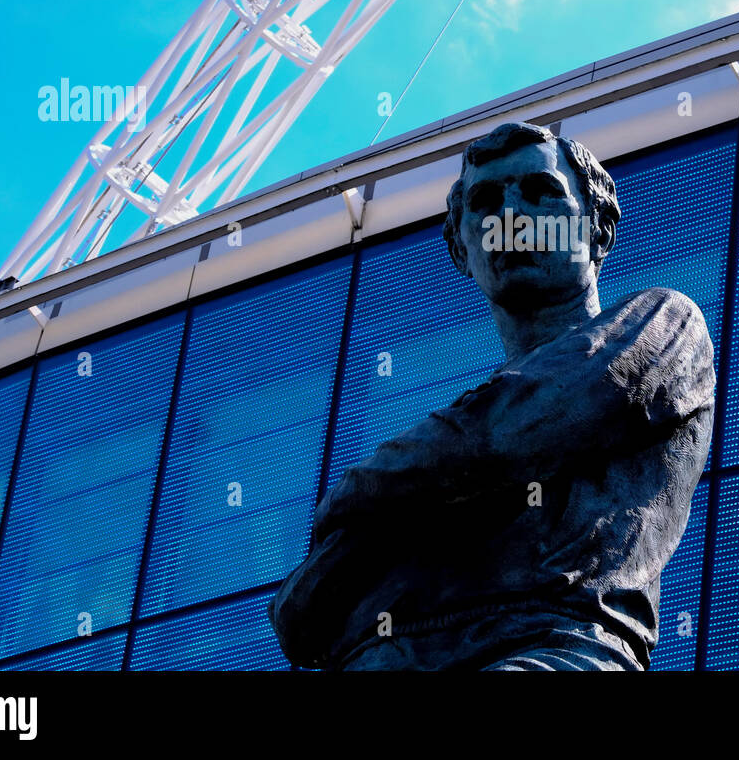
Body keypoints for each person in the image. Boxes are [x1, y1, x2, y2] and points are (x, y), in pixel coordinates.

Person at [269, 121, 714, 670]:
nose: (512, 216)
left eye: (541, 192)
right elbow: (300, 616)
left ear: (598, 229)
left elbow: (511, 434)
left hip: (549, 649)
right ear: (462, 250)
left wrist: (364, 488)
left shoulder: (663, 324)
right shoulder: (439, 447)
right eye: (486, 201)